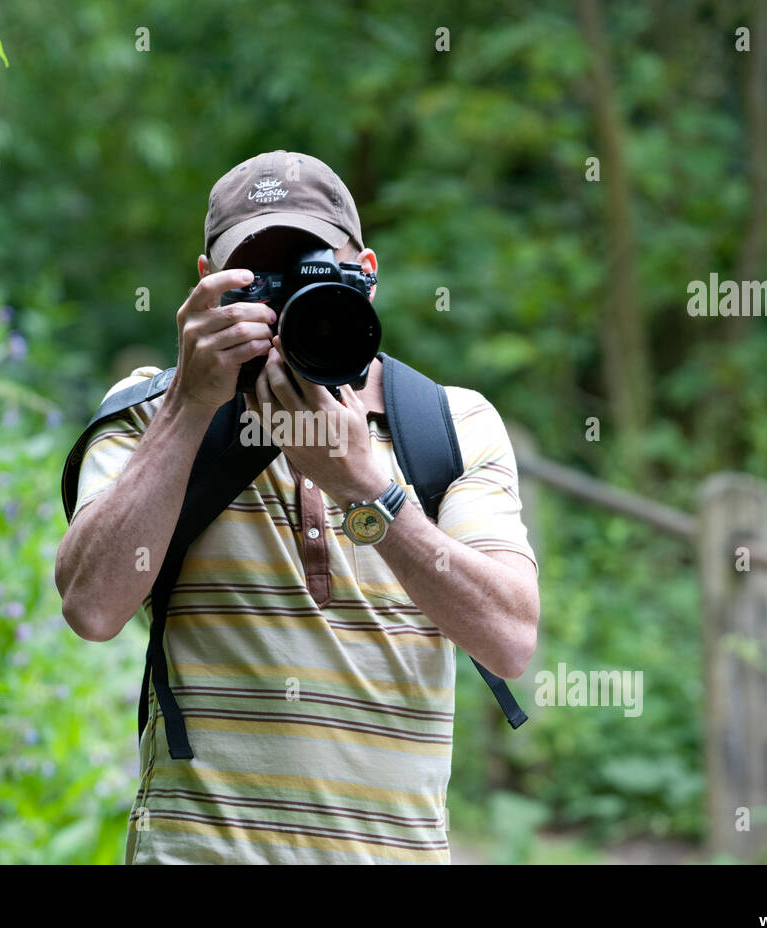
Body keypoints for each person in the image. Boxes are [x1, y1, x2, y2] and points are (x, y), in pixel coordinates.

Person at [54, 149, 539, 864]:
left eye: (312, 271)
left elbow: (508, 637)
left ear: (365, 274)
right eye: (260, 281)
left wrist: (364, 486)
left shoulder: (452, 424)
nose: (282, 310)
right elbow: (90, 607)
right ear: (206, 286)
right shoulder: (151, 415)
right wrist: (190, 406)